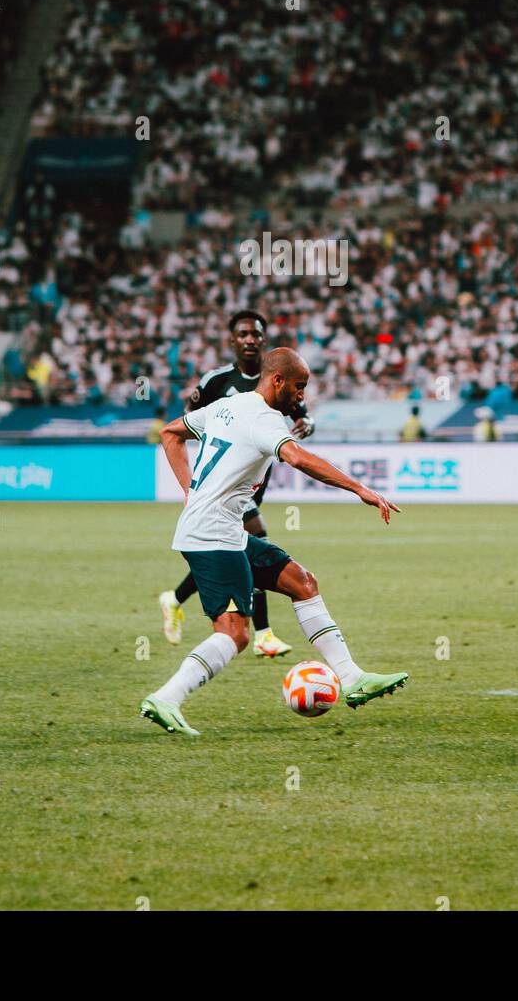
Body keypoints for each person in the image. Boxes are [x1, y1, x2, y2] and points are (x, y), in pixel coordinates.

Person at [140, 348, 409, 737]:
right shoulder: (264, 419)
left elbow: (170, 432)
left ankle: (351, 678)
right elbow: (298, 459)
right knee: (234, 633)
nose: (302, 396)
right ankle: (166, 697)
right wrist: (360, 489)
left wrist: (191, 490)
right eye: (299, 387)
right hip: (212, 534)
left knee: (302, 582)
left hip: (226, 528)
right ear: (277, 380)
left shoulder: (226, 407)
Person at [157, 310, 314, 659]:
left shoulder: (280, 377)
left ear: (263, 339)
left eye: (255, 334)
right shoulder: (216, 382)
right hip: (225, 482)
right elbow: (187, 425)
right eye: (242, 334)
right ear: (232, 339)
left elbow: (301, 415)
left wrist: (307, 424)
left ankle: (175, 598)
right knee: (254, 539)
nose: (249, 339)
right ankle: (264, 634)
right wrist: (193, 486)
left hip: (256, 480)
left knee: (230, 548)